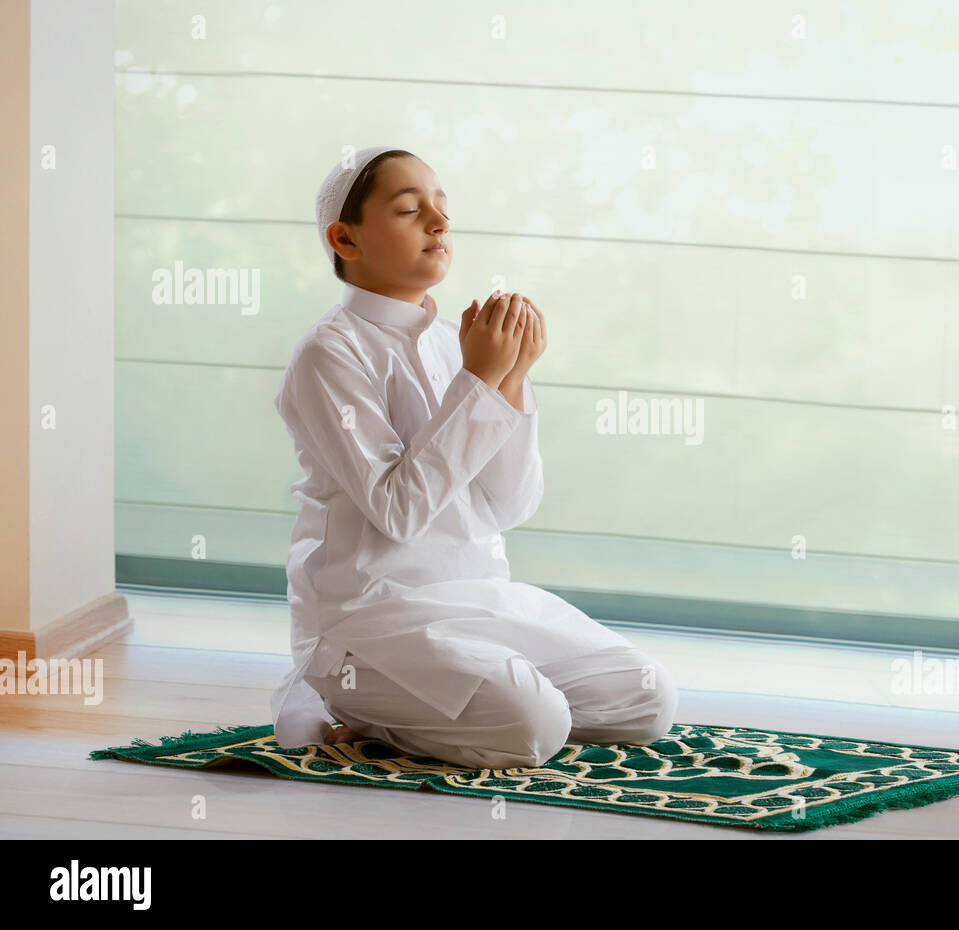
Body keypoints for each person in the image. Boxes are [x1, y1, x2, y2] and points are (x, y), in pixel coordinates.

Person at [269, 145, 678, 769]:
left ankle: (437, 703)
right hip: (372, 619)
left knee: (647, 700)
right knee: (534, 730)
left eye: (441, 208)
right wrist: (482, 382)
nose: (438, 222)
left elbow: (509, 505)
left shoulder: (455, 344)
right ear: (345, 240)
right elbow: (398, 511)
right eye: (410, 210)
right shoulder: (330, 353)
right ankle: (333, 693)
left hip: (478, 600)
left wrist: (510, 381)